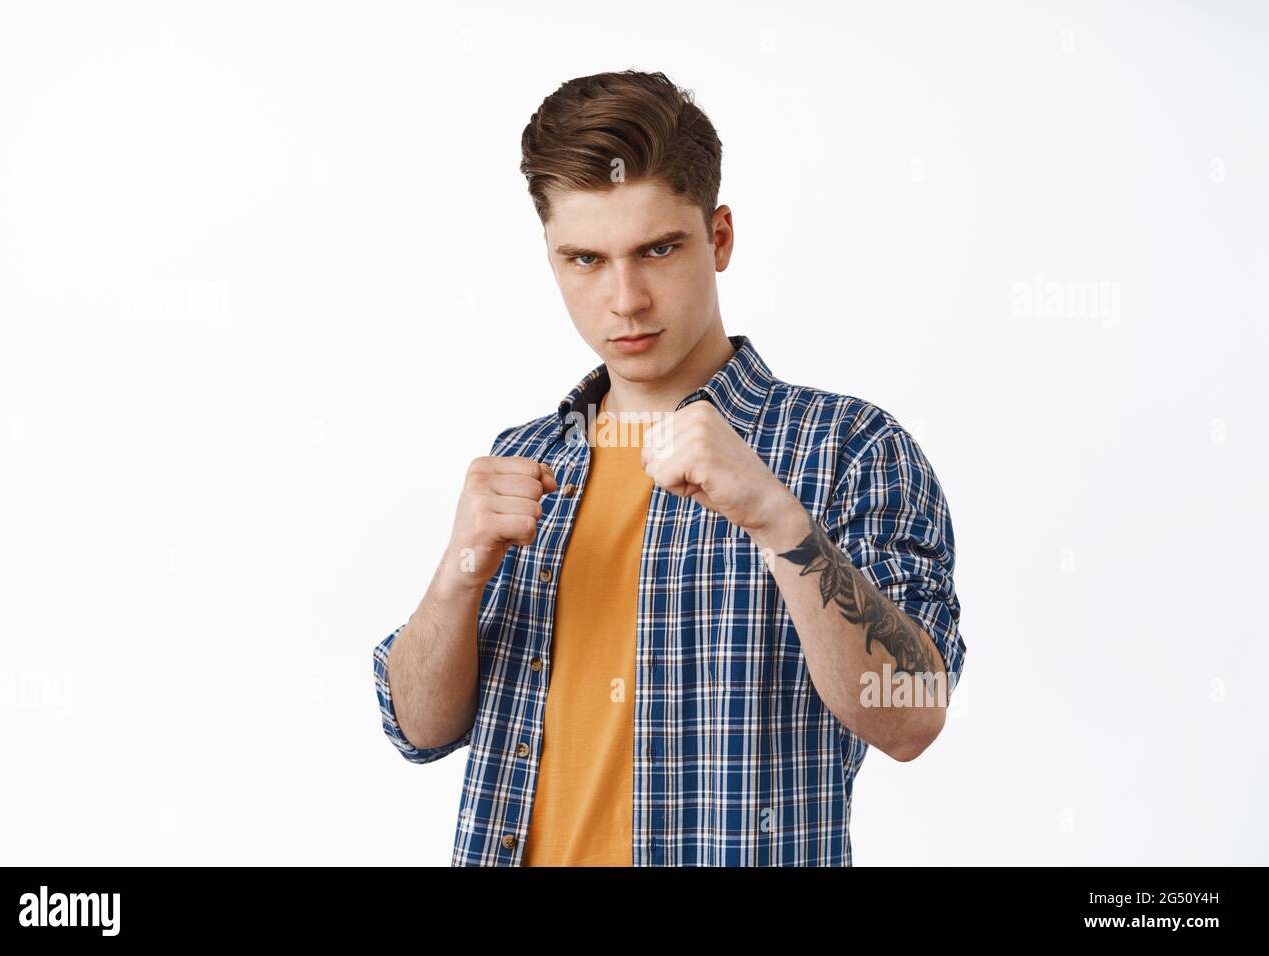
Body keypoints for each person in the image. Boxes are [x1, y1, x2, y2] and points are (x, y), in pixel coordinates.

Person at [372, 69, 965, 866]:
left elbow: (913, 716)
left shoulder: (847, 446)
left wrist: (775, 516)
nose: (625, 299)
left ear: (718, 237)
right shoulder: (525, 459)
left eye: (657, 249)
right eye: (585, 259)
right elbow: (419, 728)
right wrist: (457, 573)